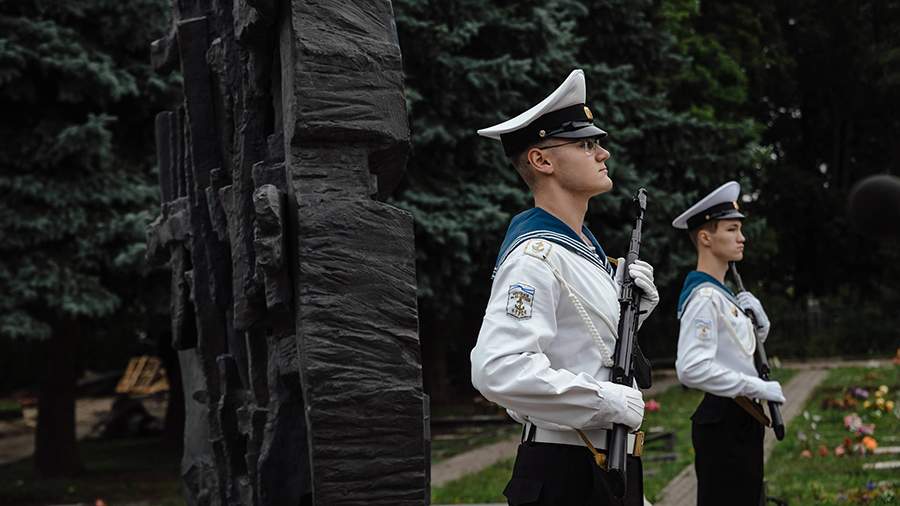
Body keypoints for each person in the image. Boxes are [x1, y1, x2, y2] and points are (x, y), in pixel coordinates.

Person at [470, 69, 659, 506]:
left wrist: (633, 315)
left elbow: (583, 352)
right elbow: (498, 368)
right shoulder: (536, 256)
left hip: (603, 466)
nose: (603, 152)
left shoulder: (581, 252)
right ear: (542, 161)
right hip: (565, 472)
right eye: (586, 144)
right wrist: (606, 401)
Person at [671, 181, 785, 506]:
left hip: (739, 418)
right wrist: (756, 386)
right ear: (705, 238)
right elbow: (691, 368)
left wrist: (760, 328)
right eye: (732, 229)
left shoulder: (720, 294)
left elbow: (731, 353)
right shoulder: (704, 297)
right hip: (725, 419)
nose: (742, 237)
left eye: (740, 229)